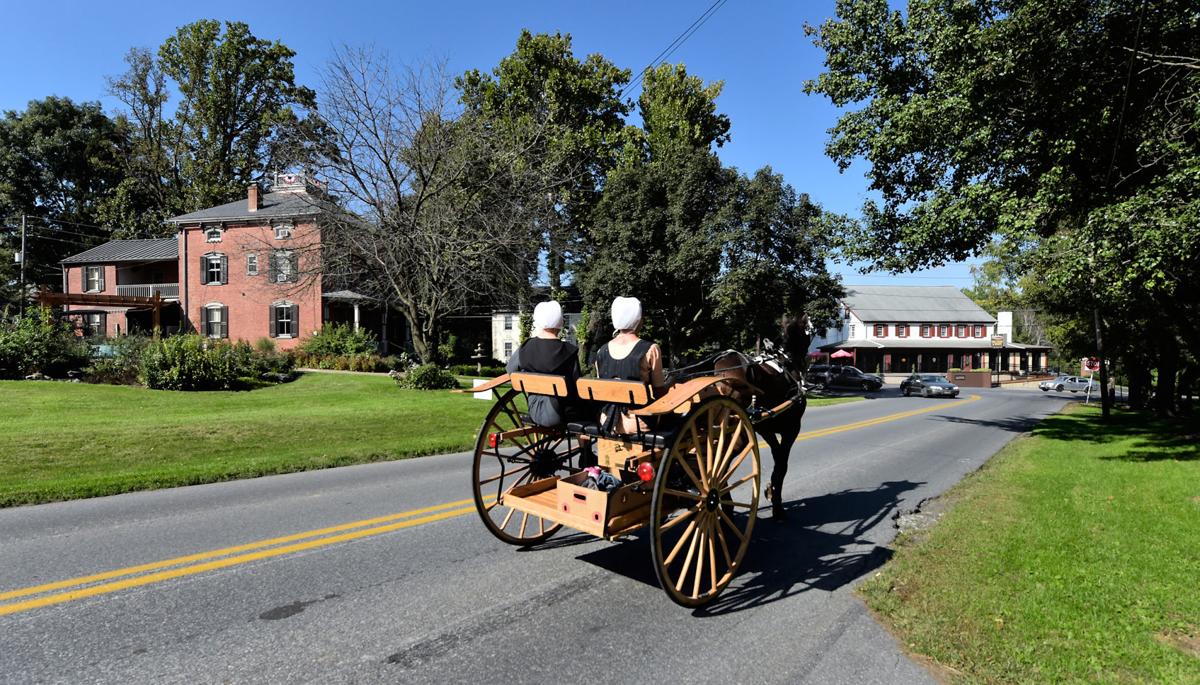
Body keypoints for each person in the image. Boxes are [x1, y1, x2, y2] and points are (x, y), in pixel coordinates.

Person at [592, 296, 666, 434]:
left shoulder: (601, 351)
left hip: (606, 420)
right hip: (638, 422)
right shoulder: (651, 349)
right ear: (638, 320)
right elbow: (659, 392)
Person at [505, 301, 581, 426]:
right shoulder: (569, 351)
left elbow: (510, 371)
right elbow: (577, 385)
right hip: (561, 413)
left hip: (534, 410)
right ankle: (584, 445)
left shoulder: (525, 347)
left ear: (538, 322)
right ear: (561, 323)